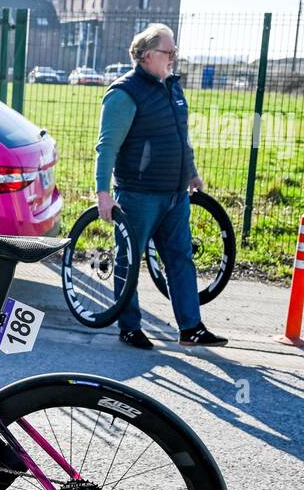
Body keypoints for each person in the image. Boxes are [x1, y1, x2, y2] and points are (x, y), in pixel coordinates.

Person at [95, 22, 227, 348]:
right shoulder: (124, 93)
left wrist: (191, 172)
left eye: (175, 51)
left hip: (174, 193)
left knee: (181, 258)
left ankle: (191, 328)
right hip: (138, 195)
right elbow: (107, 146)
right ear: (146, 56)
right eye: (168, 52)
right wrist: (102, 194)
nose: (174, 57)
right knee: (129, 260)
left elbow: (181, 138)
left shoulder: (172, 87)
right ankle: (129, 327)